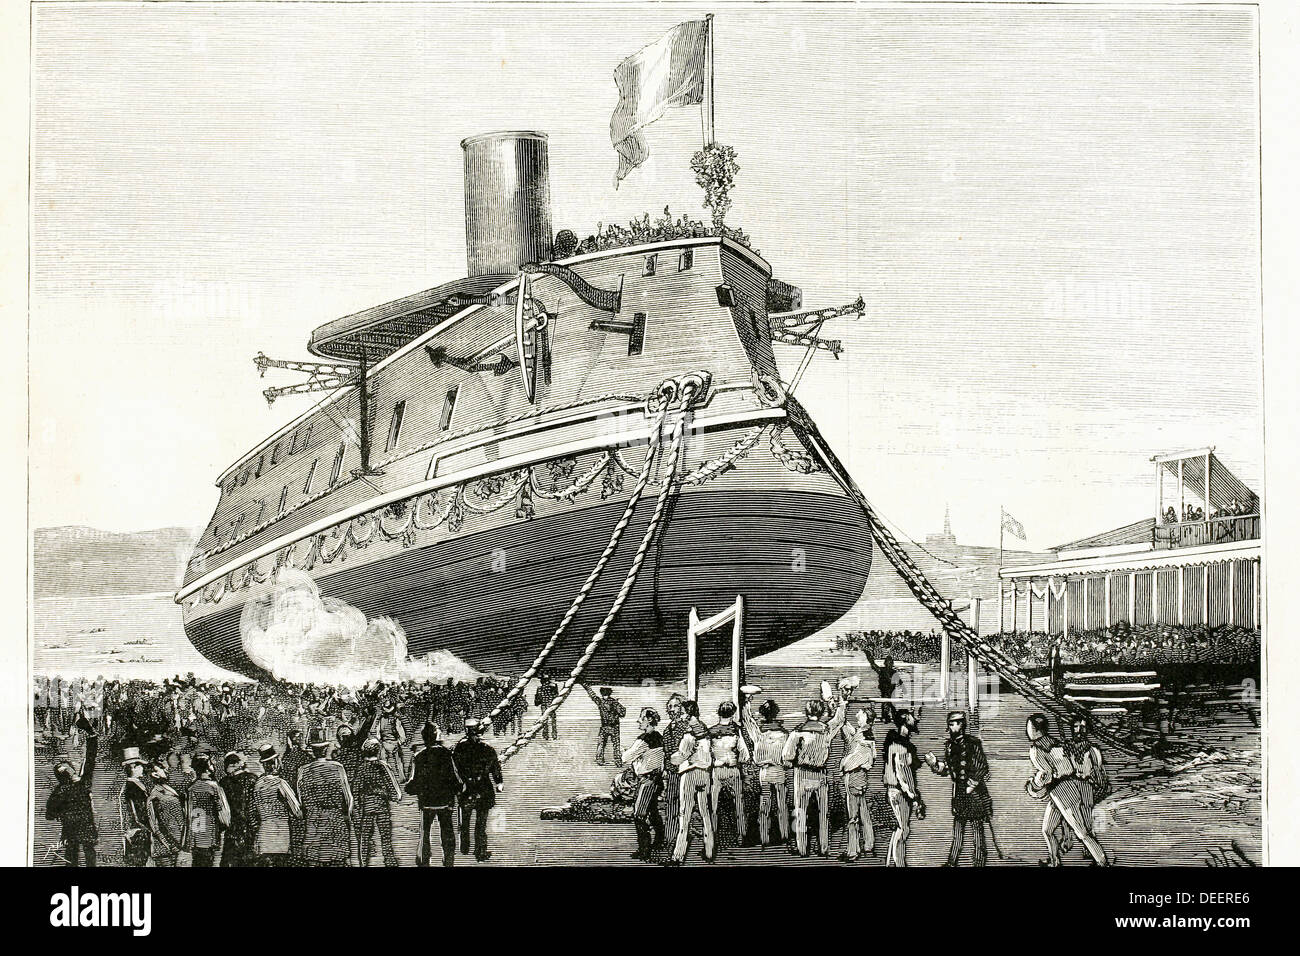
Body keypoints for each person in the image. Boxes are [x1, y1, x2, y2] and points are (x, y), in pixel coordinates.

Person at [1025, 713, 1107, 866]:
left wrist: (1034, 786)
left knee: (1083, 832)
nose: (1028, 730)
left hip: (1061, 791)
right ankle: (1055, 862)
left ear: (1035, 730)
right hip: (1063, 789)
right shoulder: (1056, 743)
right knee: (1047, 829)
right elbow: (1066, 766)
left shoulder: (1036, 750)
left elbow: (1046, 775)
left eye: (1030, 726)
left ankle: (1103, 863)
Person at [924, 711, 993, 867]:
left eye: (952, 724)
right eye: (949, 724)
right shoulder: (949, 745)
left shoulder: (973, 743)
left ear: (961, 724)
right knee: (958, 830)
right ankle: (952, 862)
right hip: (959, 793)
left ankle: (979, 863)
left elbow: (982, 767)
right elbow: (948, 768)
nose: (950, 728)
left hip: (974, 793)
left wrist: (972, 785)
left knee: (977, 831)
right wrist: (935, 764)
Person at [781, 696, 847, 857]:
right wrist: (842, 704)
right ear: (822, 712)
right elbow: (839, 720)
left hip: (802, 773)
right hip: (820, 773)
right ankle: (823, 847)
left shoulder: (798, 731)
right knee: (823, 812)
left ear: (806, 712)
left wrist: (792, 764)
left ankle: (802, 847)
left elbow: (787, 755)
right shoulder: (826, 729)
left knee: (800, 811)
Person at [45, 714, 100, 866]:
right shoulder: (82, 784)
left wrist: (61, 813)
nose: (73, 770)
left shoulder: (60, 790)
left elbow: (49, 814)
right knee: (85, 854)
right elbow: (90, 758)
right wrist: (90, 734)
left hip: (71, 830)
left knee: (73, 856)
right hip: (84, 829)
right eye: (70, 770)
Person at [406, 722, 461, 867]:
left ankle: (424, 862)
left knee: (425, 834)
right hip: (445, 801)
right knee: (447, 833)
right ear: (436, 736)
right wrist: (458, 788)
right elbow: (455, 778)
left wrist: (411, 788)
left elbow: (413, 783)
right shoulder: (446, 753)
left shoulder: (419, 756)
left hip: (426, 802)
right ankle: (449, 861)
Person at [666, 699, 715, 866]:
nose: (682, 716)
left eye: (683, 713)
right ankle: (709, 850)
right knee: (705, 813)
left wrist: (671, 758)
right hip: (705, 774)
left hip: (690, 774)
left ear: (688, 713)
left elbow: (681, 756)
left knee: (684, 815)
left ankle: (678, 855)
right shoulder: (705, 731)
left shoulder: (689, 733)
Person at [297, 727, 355, 867]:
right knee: (337, 859)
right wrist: (347, 817)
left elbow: (300, 801)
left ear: (312, 750)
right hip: (335, 818)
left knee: (315, 859)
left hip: (314, 820)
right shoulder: (337, 767)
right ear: (326, 749)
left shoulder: (303, 770)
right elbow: (348, 798)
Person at [741, 696, 790, 847]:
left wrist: (747, 703)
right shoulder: (784, 734)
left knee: (765, 803)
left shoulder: (758, 733)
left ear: (762, 714)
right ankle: (785, 834)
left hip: (765, 771)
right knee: (782, 804)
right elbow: (787, 757)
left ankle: (764, 836)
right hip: (779, 770)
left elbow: (748, 720)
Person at [453, 718, 503, 861]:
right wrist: (499, 782)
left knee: (465, 820)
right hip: (483, 788)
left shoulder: (459, 748)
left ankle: (464, 847)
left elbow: (454, 769)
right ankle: (480, 851)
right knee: (480, 823)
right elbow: (495, 767)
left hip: (466, 789)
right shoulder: (487, 748)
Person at [621, 707, 666, 861]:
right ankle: (660, 841)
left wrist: (624, 751)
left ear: (649, 720)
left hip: (647, 781)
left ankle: (644, 850)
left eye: (641, 718)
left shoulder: (644, 740)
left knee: (639, 815)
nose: (638, 721)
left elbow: (626, 758)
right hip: (657, 780)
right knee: (652, 811)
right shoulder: (659, 737)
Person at [883, 709, 925, 867]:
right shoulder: (901, 745)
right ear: (905, 721)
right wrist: (913, 796)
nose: (916, 719)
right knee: (903, 829)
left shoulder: (894, 742)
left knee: (899, 828)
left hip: (895, 790)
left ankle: (891, 863)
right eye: (912, 717)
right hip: (899, 792)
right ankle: (900, 864)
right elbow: (902, 775)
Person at [251, 744, 302, 867]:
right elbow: (297, 811)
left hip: (263, 837)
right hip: (280, 837)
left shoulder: (257, 785)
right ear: (275, 762)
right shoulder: (280, 783)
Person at [708, 701, 751, 847]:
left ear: (719, 713)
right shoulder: (737, 731)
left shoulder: (711, 732)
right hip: (733, 770)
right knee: (738, 804)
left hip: (717, 770)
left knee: (714, 805)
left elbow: (707, 754)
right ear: (732, 714)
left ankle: (713, 836)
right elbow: (745, 754)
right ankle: (741, 836)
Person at [355, 738, 402, 866]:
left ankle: (363, 862)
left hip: (367, 807)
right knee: (385, 836)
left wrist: (358, 806)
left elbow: (356, 789)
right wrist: (395, 796)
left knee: (365, 837)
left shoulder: (361, 768)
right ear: (378, 751)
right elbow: (392, 786)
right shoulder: (382, 766)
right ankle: (389, 860)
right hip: (381, 806)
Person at [838, 708, 877, 862]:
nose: (857, 716)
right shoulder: (864, 733)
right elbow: (851, 735)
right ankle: (869, 844)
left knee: (853, 815)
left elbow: (857, 757)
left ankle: (853, 851)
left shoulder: (864, 736)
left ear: (866, 717)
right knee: (863, 811)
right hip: (859, 776)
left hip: (854, 775)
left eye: (860, 714)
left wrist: (843, 764)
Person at [186, 752, 230, 867]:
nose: (213, 766)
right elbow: (224, 815)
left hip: (196, 835)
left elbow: (188, 814)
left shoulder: (191, 788)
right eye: (211, 763)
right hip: (210, 834)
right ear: (207, 767)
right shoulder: (214, 787)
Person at [660, 694, 690, 850]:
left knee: (685, 807)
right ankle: (670, 837)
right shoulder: (667, 730)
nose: (671, 709)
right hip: (672, 773)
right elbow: (666, 752)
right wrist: (665, 768)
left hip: (685, 772)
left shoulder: (686, 728)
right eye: (669, 706)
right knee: (671, 804)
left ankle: (682, 838)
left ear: (682, 708)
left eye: (675, 706)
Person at [219, 751, 258, 867]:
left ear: (230, 766)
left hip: (232, 830)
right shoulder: (253, 779)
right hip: (250, 828)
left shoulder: (224, 782)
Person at [146, 760, 187, 867]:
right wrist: (176, 844)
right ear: (154, 774)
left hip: (174, 845)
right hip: (166, 846)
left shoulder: (167, 788)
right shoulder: (156, 795)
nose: (165, 771)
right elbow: (159, 823)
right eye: (161, 769)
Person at [118, 746, 152, 867]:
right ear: (133, 767)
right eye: (140, 765)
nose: (142, 768)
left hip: (137, 830)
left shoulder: (135, 785)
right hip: (138, 831)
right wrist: (148, 827)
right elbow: (136, 811)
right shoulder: (133, 787)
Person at [587, 685, 626, 766]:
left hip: (605, 726)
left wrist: (587, 687)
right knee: (616, 745)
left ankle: (600, 759)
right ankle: (618, 761)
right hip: (614, 726)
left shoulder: (600, 701)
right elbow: (622, 713)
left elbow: (593, 696)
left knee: (601, 743)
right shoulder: (614, 702)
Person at [376, 700, 409, 783]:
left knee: (383, 762)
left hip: (384, 743)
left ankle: (385, 780)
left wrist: (380, 741)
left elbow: (378, 733)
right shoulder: (396, 719)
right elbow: (401, 732)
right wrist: (400, 741)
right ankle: (402, 778)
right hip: (394, 743)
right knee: (398, 761)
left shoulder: (381, 720)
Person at [534, 674, 559, 739]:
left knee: (546, 720)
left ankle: (546, 734)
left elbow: (537, 700)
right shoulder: (553, 687)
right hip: (550, 705)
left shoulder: (540, 688)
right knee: (552, 720)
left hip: (545, 705)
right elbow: (556, 696)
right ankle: (553, 734)